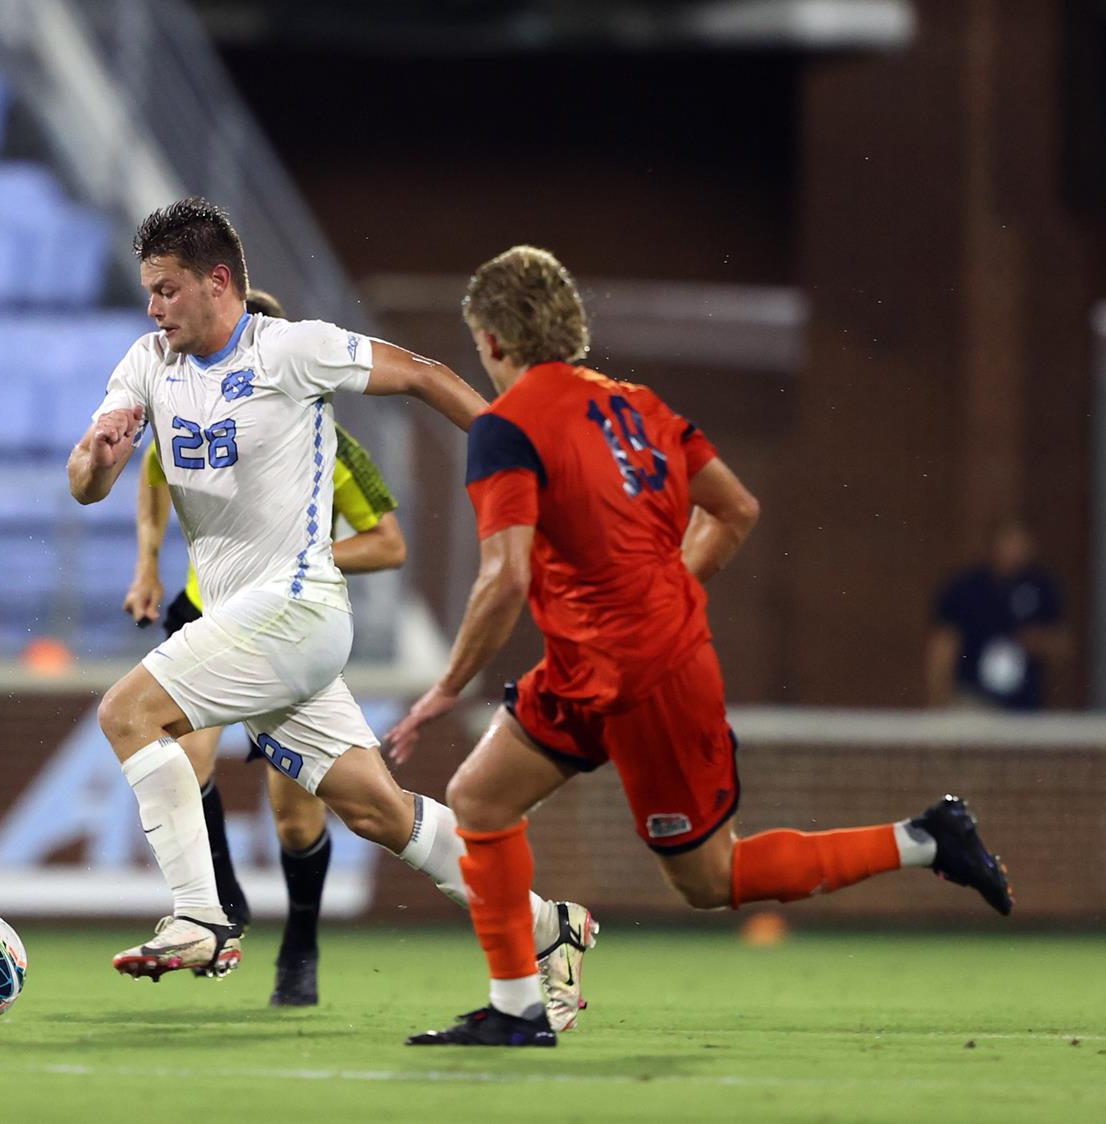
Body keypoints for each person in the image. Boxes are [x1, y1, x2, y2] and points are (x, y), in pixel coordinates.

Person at [388, 246, 1013, 1049]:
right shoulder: (642, 406)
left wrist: (446, 687)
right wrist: (663, 588)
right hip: (593, 663)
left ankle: (926, 839)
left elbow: (503, 579)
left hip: (648, 676)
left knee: (710, 880)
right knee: (479, 799)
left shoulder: (507, 426)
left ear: (494, 342)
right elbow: (737, 509)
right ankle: (516, 1008)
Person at [70, 201, 594, 1018]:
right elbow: (86, 482)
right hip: (257, 629)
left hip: (298, 608)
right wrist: (98, 457)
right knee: (376, 809)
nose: (152, 307)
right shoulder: (148, 363)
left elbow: (421, 374)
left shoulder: (291, 349)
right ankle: (547, 924)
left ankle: (202, 915)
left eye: (167, 289)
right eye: (149, 291)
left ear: (218, 283)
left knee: (127, 712)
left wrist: (513, 454)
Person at [122, 287, 429, 1008]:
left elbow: (389, 543)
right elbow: (156, 480)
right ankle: (221, 904)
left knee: (296, 815)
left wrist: (305, 555)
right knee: (175, 752)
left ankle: (301, 942)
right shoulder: (189, 408)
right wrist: (146, 564)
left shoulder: (332, 447)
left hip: (285, 624)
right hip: (203, 614)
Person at [926, 519, 1064, 710]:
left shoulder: (1042, 587)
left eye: (1021, 543)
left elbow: (1060, 644)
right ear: (994, 545)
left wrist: (1037, 641)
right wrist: (939, 698)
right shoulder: (965, 588)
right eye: (1008, 542)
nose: (1015, 550)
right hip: (973, 697)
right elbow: (944, 646)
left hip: (1025, 704)